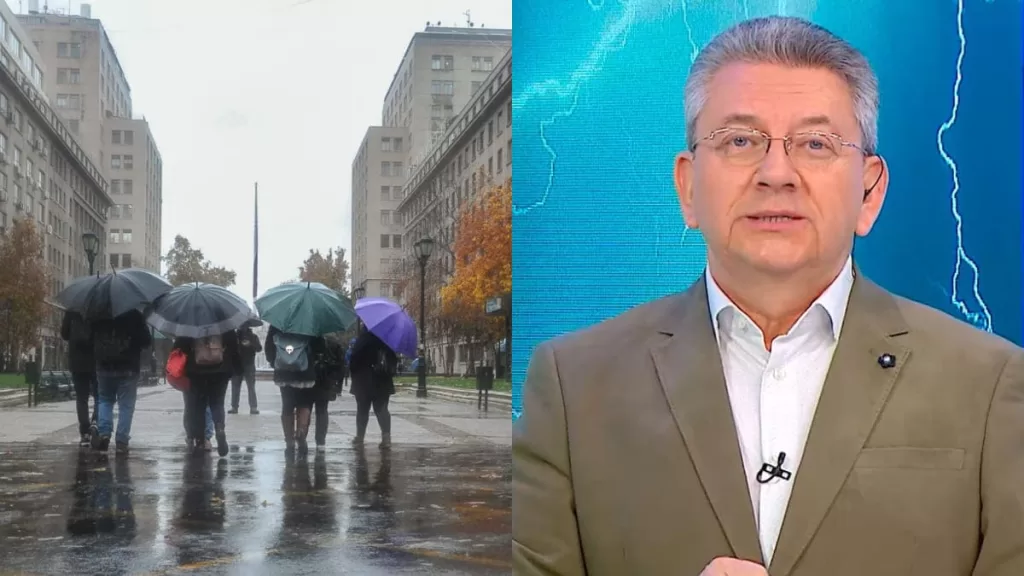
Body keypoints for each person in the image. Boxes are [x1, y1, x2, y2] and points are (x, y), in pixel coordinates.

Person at [512, 16, 1024, 576]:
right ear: (687, 187)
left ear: (870, 192)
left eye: (815, 143)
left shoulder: (992, 386)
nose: (776, 173)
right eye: (739, 141)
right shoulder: (571, 386)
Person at [90, 308, 152, 456]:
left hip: (104, 366)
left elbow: (90, 337)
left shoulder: (99, 314)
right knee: (126, 406)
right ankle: (121, 442)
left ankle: (104, 433)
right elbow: (146, 341)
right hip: (128, 367)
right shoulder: (133, 314)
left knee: (105, 400)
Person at [172, 330, 242, 457]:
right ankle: (220, 428)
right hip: (221, 371)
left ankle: (200, 440)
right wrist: (236, 368)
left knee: (198, 406)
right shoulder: (224, 322)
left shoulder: (190, 323)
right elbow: (233, 348)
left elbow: (179, 347)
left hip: (196, 371)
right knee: (217, 403)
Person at [265, 325, 326, 456]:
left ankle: (289, 442)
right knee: (304, 404)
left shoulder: (278, 322)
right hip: (305, 371)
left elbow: (268, 347)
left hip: (284, 372)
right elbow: (321, 348)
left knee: (287, 406)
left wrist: (276, 362)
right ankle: (301, 433)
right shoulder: (311, 322)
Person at [347, 325, 397, 449]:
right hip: (383, 380)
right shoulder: (386, 340)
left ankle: (360, 437)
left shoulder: (363, 339)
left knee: (362, 410)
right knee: (382, 409)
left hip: (364, 381)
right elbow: (393, 361)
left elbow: (353, 361)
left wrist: (354, 374)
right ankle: (386, 438)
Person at [60, 310, 97, 446]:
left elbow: (64, 334)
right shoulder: (98, 307)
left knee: (82, 398)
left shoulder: (72, 310)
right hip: (96, 360)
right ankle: (96, 423)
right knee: (100, 397)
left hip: (77, 362)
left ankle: (85, 433)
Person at [229, 326, 262, 415]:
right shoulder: (235, 337)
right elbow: (230, 349)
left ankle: (253, 407)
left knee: (250, 387)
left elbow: (259, 348)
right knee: (236, 387)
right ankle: (234, 406)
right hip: (237, 364)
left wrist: (250, 344)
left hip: (248, 364)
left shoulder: (253, 337)